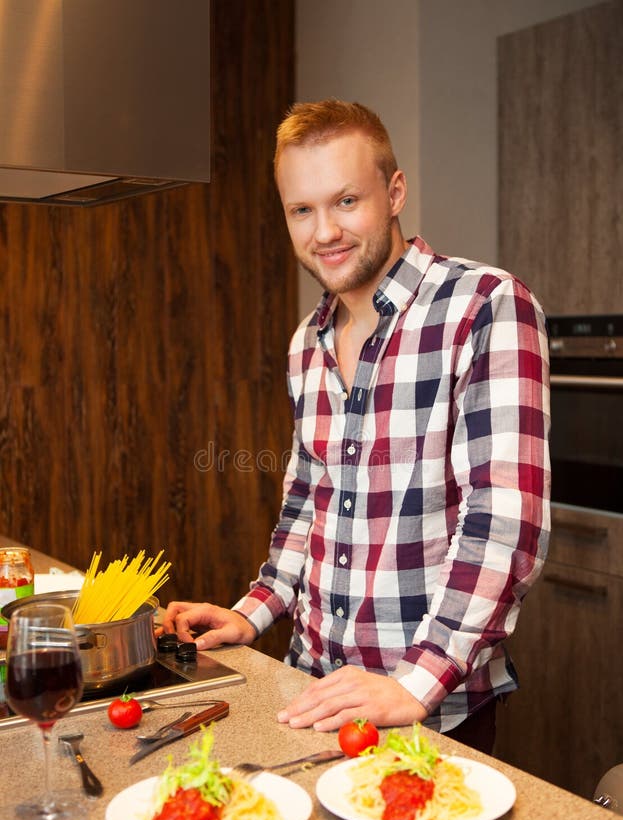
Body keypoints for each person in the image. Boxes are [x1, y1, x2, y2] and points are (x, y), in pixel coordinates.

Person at [162, 99, 551, 753]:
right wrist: (249, 613)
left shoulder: (483, 307)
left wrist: (415, 682)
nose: (324, 233)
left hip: (427, 712)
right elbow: (306, 507)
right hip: (313, 694)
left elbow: (503, 522)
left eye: (345, 201)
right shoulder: (305, 342)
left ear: (394, 192)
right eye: (301, 210)